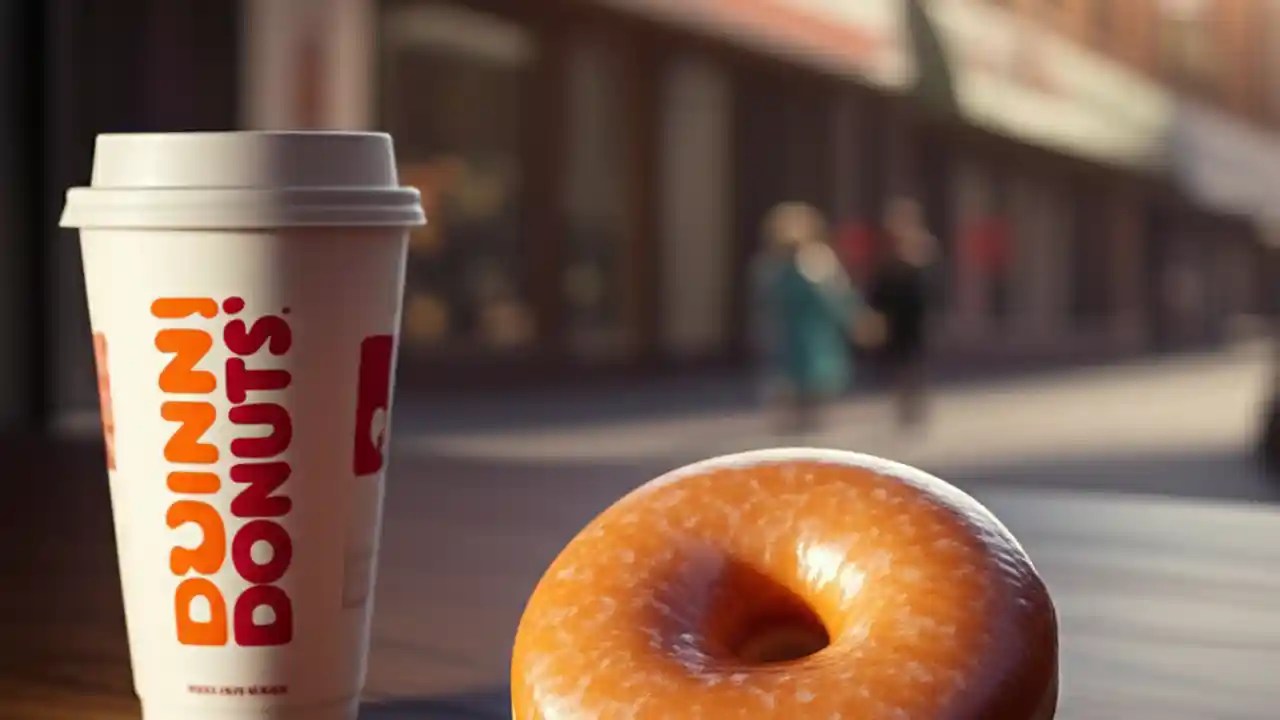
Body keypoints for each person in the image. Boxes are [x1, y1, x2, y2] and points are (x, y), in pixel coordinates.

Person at [752, 203, 862, 434]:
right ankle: (794, 414)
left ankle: (810, 413)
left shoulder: (816, 261)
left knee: (814, 374)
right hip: (787, 332)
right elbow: (765, 300)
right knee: (787, 376)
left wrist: (855, 319)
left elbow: (836, 296)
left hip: (813, 331)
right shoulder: (772, 266)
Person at [866, 197, 937, 430]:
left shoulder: (923, 250)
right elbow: (879, 288)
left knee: (914, 361)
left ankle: (915, 405)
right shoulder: (888, 255)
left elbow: (931, 287)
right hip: (894, 318)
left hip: (915, 318)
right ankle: (903, 405)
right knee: (898, 363)